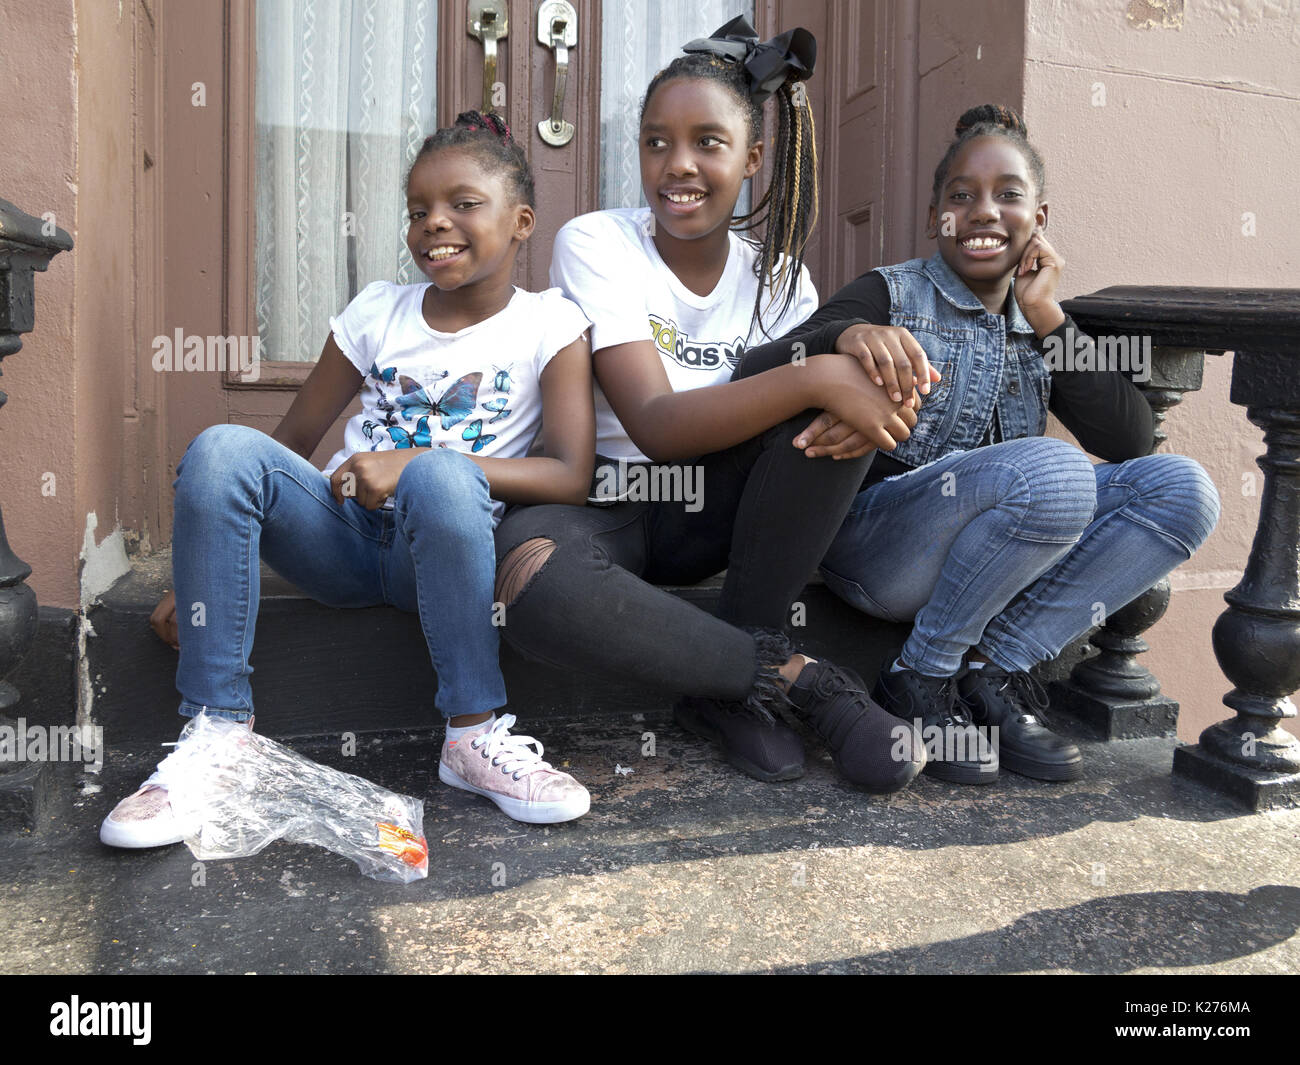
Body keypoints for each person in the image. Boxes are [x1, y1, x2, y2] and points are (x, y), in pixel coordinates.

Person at [101, 111, 597, 847]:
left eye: (463, 204)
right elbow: (288, 446)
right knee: (218, 448)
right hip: (342, 539)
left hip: (441, 549)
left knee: (443, 477)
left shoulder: (549, 324)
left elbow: (569, 473)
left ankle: (473, 734)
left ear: (521, 221)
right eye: (419, 210)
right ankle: (217, 739)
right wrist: (202, 577)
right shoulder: (378, 310)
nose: (436, 223)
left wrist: (413, 465)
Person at [492, 17, 933, 791]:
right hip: (609, 503)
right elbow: (656, 428)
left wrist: (844, 358)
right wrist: (814, 375)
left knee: (846, 376)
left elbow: (809, 411)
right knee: (533, 578)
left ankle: (727, 672)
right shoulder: (597, 243)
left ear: (754, 158)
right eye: (656, 142)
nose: (678, 165)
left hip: (714, 515)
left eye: (708, 142)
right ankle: (782, 676)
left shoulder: (781, 280)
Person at [737, 104, 1221, 784]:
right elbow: (761, 368)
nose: (983, 212)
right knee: (1054, 472)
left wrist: (1050, 316)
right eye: (960, 196)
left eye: (1008, 195)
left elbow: (1130, 439)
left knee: (1182, 490)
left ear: (1040, 221)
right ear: (936, 214)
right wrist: (843, 337)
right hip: (883, 546)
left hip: (995, 554)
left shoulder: (1045, 321)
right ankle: (919, 676)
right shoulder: (890, 293)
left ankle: (992, 668)